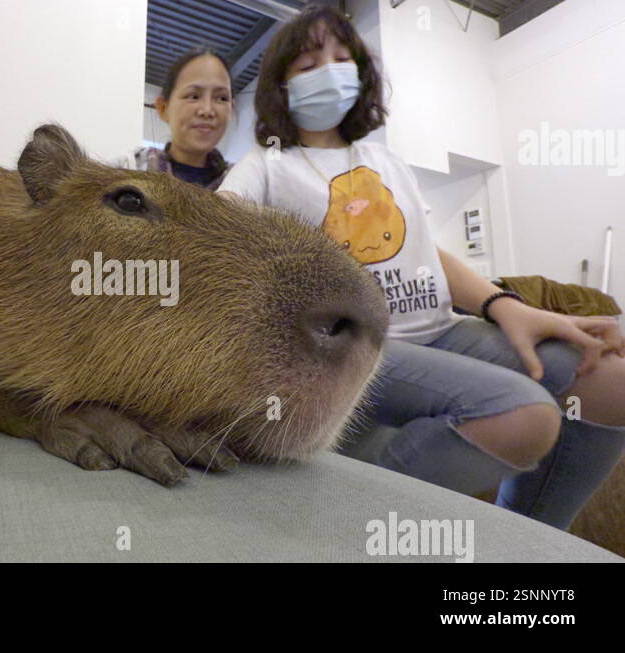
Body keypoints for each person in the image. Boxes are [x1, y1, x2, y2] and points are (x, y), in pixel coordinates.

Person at [217, 4, 625, 530]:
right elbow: (215, 225)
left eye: (344, 58)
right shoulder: (265, 166)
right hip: (359, 352)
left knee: (609, 379)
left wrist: (506, 306)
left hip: (443, 330)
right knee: (523, 414)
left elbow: (429, 255)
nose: (331, 71)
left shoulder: (387, 162)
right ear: (280, 83)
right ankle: (342, 517)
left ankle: (539, 543)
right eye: (309, 63)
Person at [119, 45, 233, 189]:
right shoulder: (130, 170)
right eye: (193, 96)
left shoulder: (243, 183)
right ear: (163, 108)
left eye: (222, 98)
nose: (207, 110)